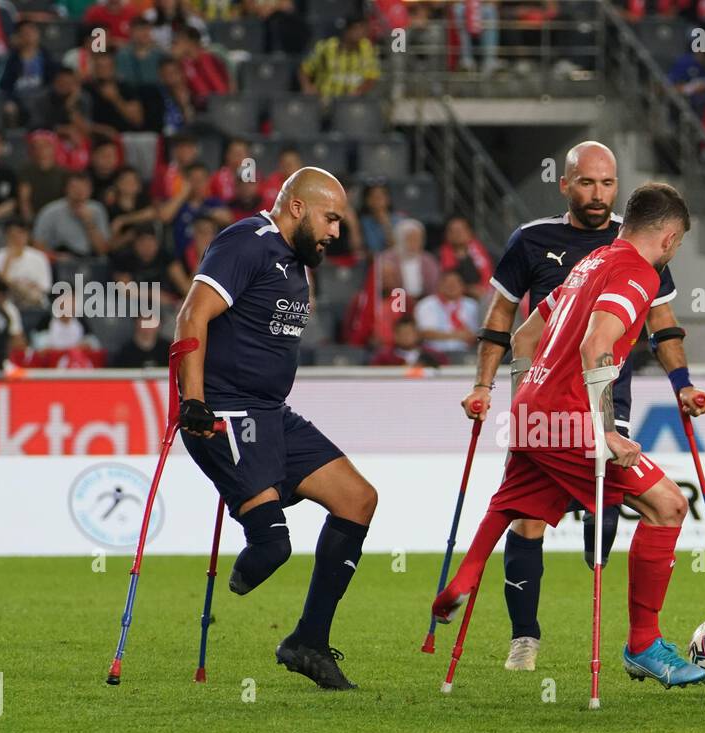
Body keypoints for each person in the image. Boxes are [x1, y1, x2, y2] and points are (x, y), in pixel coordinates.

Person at [434, 182, 705, 689]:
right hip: (570, 418)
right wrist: (603, 431)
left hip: (531, 407)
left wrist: (528, 403)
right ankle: (643, 644)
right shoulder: (638, 273)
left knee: (513, 503)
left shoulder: (590, 263)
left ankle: (464, 579)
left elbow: (523, 338)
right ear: (669, 239)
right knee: (668, 507)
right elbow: (597, 346)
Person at [175, 166, 376, 691]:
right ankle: (254, 554)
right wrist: (193, 402)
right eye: (330, 219)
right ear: (296, 208)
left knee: (357, 499)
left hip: (273, 414)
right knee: (271, 549)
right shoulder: (249, 242)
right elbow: (192, 316)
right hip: (227, 413)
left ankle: (308, 641)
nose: (336, 231)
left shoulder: (294, 261)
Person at [34, 172, 111, 258]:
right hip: (60, 261)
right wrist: (56, 257)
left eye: (84, 187)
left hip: (89, 262)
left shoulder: (98, 210)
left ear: (91, 190)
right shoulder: (50, 211)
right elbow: (37, 246)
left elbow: (103, 250)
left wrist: (89, 223)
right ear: (65, 189)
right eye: (74, 187)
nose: (79, 192)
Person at [0, 218, 53, 312]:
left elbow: (44, 287)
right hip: (5, 306)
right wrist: (8, 261)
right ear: (7, 235)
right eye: (13, 235)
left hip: (34, 305)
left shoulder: (39, 257)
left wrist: (17, 285)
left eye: (21, 233)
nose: (18, 238)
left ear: (27, 235)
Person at [413, 269, 479, 357]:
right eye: (447, 283)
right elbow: (426, 333)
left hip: (466, 353)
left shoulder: (472, 305)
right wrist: (459, 335)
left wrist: (443, 335)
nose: (451, 286)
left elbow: (476, 334)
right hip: (435, 353)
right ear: (439, 285)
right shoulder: (426, 304)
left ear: (463, 286)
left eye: (455, 283)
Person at [369, 316, 446, 368]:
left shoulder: (433, 355)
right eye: (402, 333)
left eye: (409, 333)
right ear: (395, 336)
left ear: (417, 334)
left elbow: (445, 371)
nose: (406, 337)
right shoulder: (383, 358)